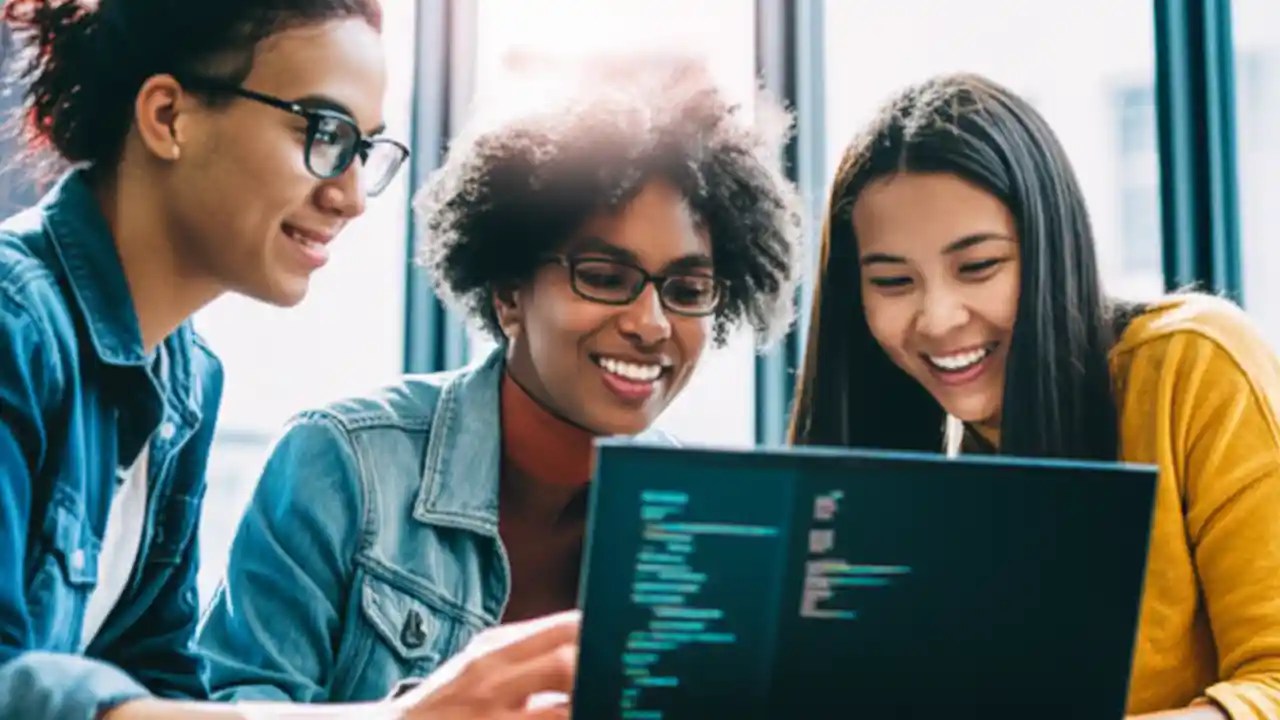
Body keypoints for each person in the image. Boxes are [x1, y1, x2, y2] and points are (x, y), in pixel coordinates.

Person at [0, 1, 587, 719]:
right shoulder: (15, 328)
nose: (349, 197)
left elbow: (158, 678)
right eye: (324, 132)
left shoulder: (184, 377)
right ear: (167, 118)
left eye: (364, 150)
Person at [195, 55, 804, 709]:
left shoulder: (711, 524)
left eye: (686, 289)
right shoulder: (345, 463)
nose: (652, 324)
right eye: (602, 277)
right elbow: (230, 704)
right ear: (509, 294)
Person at [789, 71, 1280, 718]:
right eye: (892, 281)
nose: (937, 319)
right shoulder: (933, 484)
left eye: (979, 267)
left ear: (1049, 248)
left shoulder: (1191, 365)